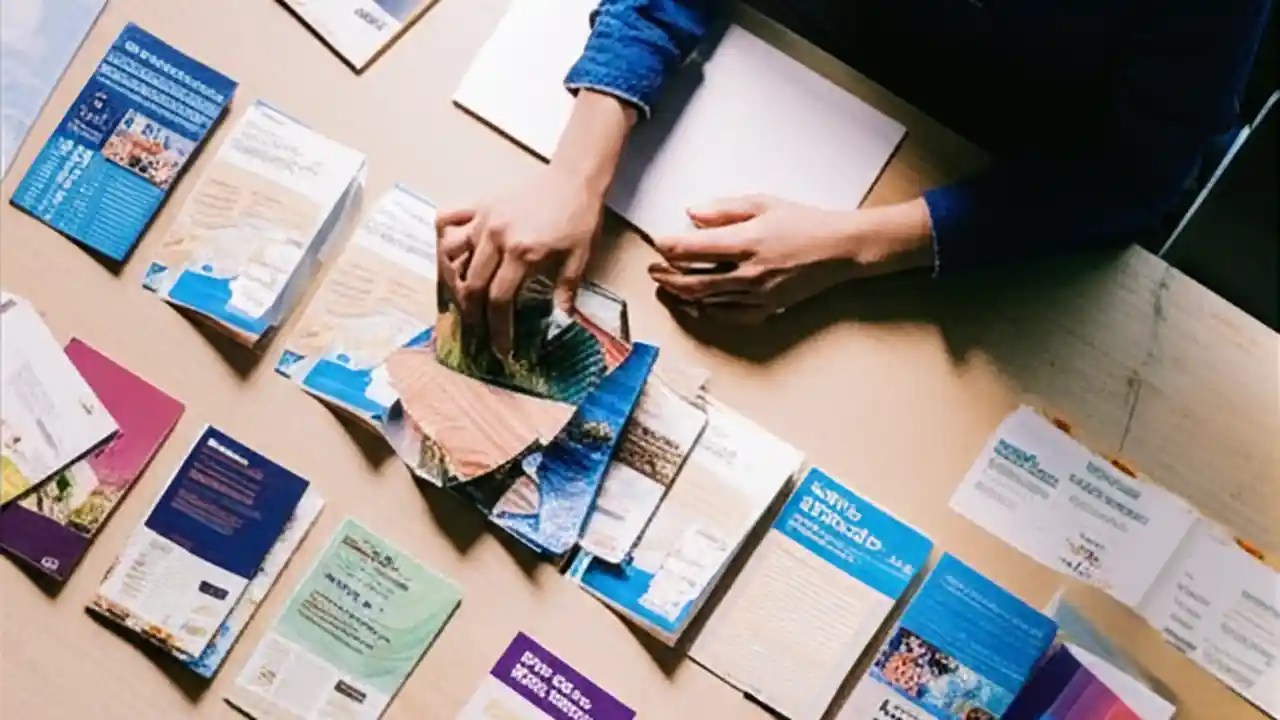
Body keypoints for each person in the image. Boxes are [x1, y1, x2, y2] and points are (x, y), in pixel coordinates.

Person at [438, 0, 1271, 352]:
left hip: (985, 185)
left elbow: (1138, 172)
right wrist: (576, 170)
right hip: (797, 71)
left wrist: (859, 244)